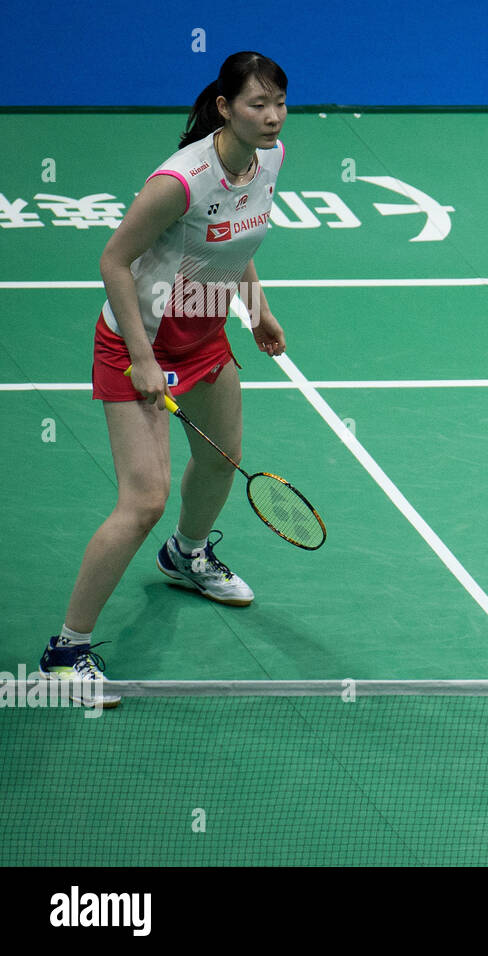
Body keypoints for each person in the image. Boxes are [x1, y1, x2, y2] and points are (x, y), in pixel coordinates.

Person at [38, 52, 290, 706]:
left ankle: (187, 556)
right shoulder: (181, 181)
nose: (271, 117)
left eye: (280, 103)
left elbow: (237, 246)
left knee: (220, 458)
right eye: (258, 104)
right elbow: (113, 260)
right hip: (137, 340)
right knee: (142, 500)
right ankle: (65, 652)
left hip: (203, 331)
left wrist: (256, 310)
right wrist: (143, 357)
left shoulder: (270, 160)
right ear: (225, 108)